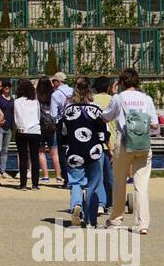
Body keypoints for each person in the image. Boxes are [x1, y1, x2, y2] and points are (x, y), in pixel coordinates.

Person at [102, 68, 159, 234]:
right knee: (141, 185)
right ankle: (142, 224)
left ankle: (116, 219)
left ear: (121, 82)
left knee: (119, 182)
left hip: (124, 142)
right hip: (143, 143)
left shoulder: (118, 98)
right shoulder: (147, 99)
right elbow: (155, 124)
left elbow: (106, 117)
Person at [60, 77, 108, 227]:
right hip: (94, 150)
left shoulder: (68, 109)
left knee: (76, 181)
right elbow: (103, 133)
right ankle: (90, 217)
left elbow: (63, 133)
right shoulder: (96, 109)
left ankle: (76, 204)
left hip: (75, 151)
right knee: (94, 183)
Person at [12, 78, 42, 189]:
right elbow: (38, 116)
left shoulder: (17, 101)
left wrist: (21, 127)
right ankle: (35, 184)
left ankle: (23, 184)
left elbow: (18, 116)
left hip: (23, 131)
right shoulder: (35, 101)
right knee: (35, 158)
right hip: (35, 130)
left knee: (23, 158)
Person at [92, 77, 117, 213]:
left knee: (98, 174)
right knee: (111, 175)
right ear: (109, 87)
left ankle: (100, 202)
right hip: (112, 140)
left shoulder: (91, 100)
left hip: (96, 141)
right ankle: (111, 201)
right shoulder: (114, 100)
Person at [35, 76, 61, 185]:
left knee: (41, 151)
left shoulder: (37, 96)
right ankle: (58, 176)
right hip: (52, 126)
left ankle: (45, 176)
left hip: (40, 126)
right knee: (54, 152)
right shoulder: (53, 95)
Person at [0, 77, 15, 184]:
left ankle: (2, 170)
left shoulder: (12, 99)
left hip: (8, 127)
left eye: (9, 86)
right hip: (0, 126)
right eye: (5, 86)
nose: (7, 87)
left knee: (5, 150)